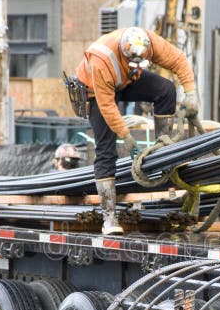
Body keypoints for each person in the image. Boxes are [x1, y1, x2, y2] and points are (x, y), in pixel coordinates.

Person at [73, 27, 198, 235]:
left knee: (165, 89)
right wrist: (127, 137)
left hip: (126, 79)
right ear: (124, 53)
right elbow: (108, 107)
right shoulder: (101, 60)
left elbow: (178, 60)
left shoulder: (148, 41)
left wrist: (191, 93)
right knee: (106, 150)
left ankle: (162, 148)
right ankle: (109, 217)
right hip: (95, 90)